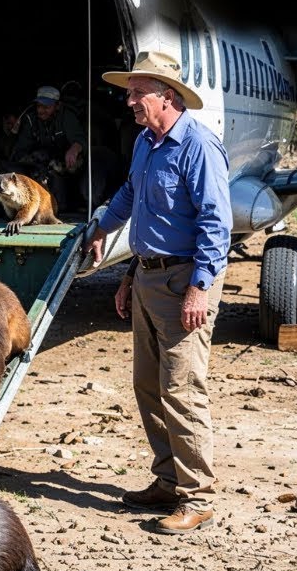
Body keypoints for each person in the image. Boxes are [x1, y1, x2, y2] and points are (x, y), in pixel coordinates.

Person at [84, 51, 232, 534]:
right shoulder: (145, 143)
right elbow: (133, 197)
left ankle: (197, 495)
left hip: (185, 279)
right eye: (129, 92)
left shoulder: (198, 147)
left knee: (182, 389)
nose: (129, 101)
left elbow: (216, 224)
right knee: (148, 384)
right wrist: (105, 233)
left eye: (137, 92)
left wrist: (200, 288)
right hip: (149, 276)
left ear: (167, 95)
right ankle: (169, 479)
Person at [11, 85, 87, 172]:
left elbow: (80, 139)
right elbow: (21, 147)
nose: (40, 111)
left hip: (63, 165)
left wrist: (74, 150)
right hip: (40, 164)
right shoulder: (31, 119)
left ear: (57, 106)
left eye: (46, 107)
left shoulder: (67, 116)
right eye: (38, 106)